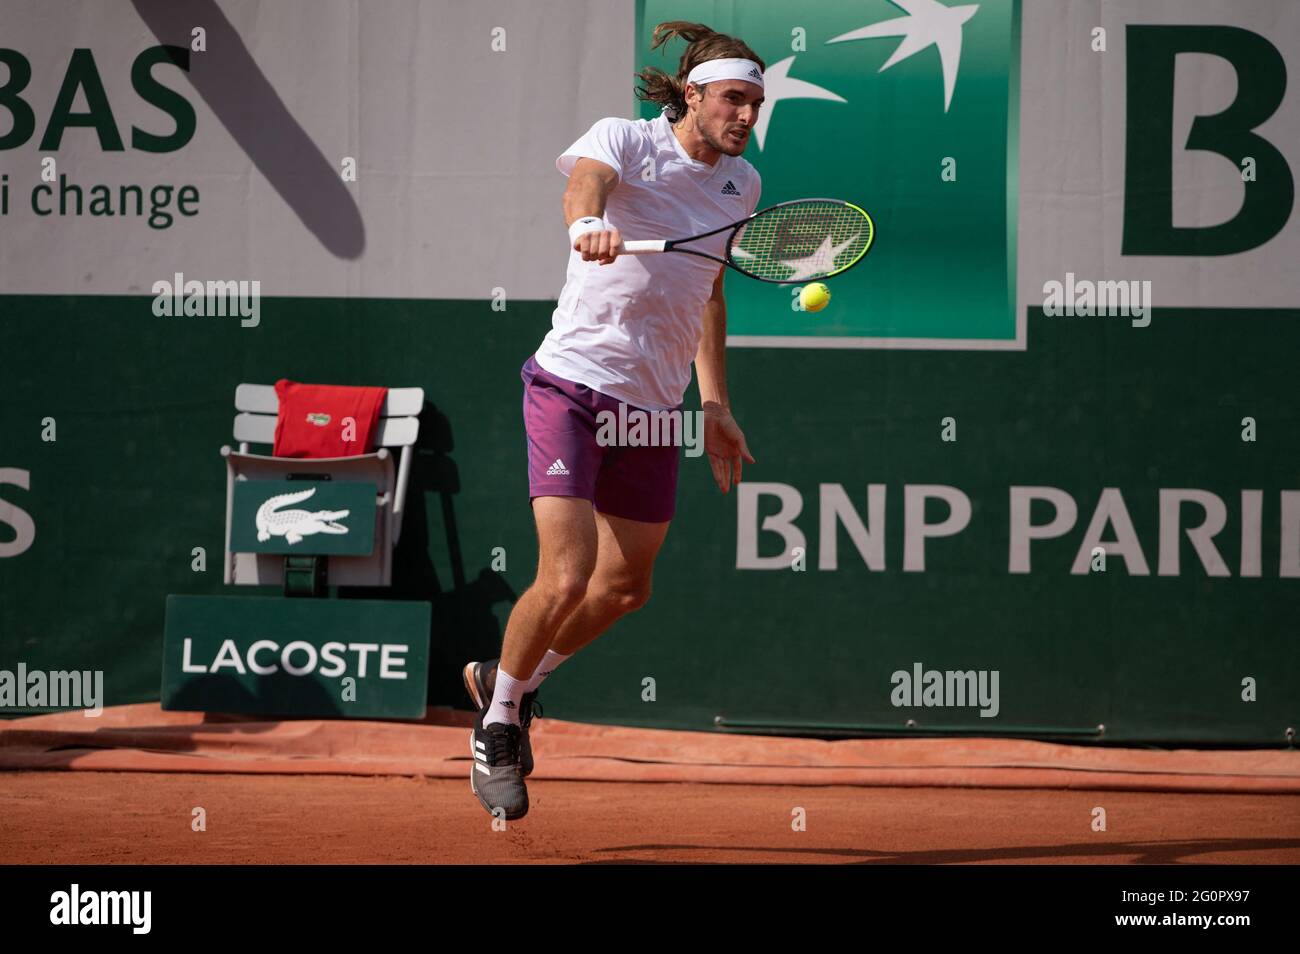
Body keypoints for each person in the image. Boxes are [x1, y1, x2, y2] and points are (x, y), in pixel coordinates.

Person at [464, 21, 764, 820]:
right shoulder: (623, 139)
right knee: (564, 576)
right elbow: (583, 187)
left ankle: (513, 678)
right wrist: (584, 227)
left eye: (756, 103)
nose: (745, 115)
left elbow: (709, 292)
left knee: (626, 587)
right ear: (693, 94)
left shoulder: (743, 187)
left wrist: (715, 402)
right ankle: (497, 727)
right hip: (572, 386)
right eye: (733, 98)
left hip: (656, 406)